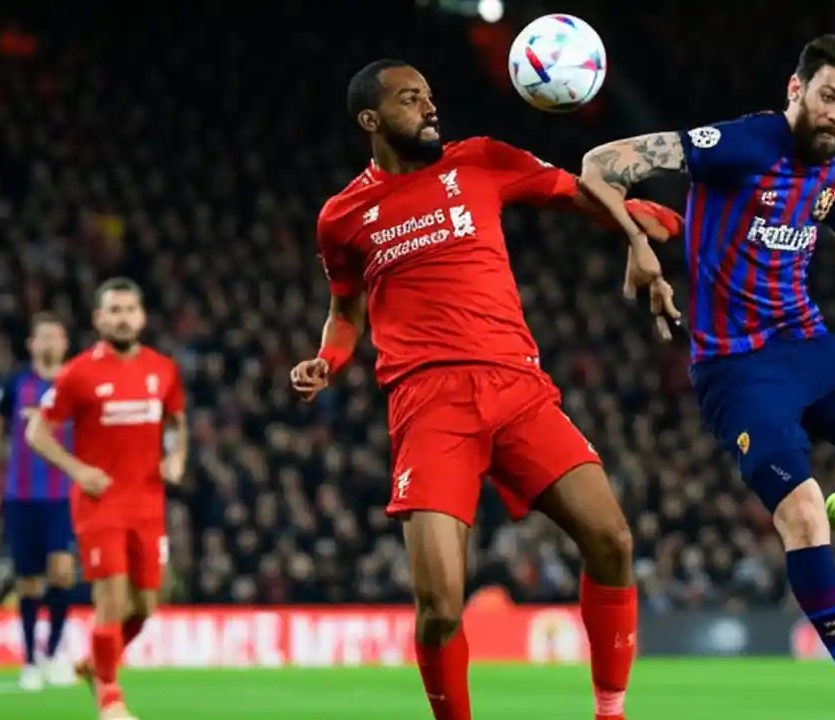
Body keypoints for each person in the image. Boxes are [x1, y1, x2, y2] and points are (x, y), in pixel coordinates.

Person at [579, 35, 835, 720]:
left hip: (810, 345)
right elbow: (599, 164)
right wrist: (639, 248)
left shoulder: (832, 178)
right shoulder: (740, 144)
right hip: (737, 368)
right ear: (796, 90)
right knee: (798, 514)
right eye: (828, 97)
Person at [289, 59, 681, 720]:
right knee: (441, 605)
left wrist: (641, 218)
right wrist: (329, 358)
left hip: (516, 386)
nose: (429, 108)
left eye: (430, 96)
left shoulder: (480, 160)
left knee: (611, 539)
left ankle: (611, 710)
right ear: (372, 119)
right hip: (429, 405)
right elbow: (344, 311)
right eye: (411, 99)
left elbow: (575, 195)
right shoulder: (342, 217)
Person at [25, 277, 187, 720]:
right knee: (112, 600)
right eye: (113, 310)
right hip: (102, 505)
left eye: (129, 310)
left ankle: (96, 662)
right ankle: (110, 699)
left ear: (142, 317)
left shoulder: (162, 369)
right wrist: (78, 471)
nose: (122, 318)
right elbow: (36, 430)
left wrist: (176, 460)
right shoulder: (80, 372)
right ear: (98, 319)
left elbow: (176, 422)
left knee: (146, 607)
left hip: (148, 505)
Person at [0, 312, 78, 690]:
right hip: (21, 496)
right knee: (29, 583)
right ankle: (30, 660)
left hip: (63, 496)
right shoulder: (14, 385)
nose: (50, 343)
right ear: (32, 345)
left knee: (63, 572)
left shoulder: (77, 384)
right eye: (43, 337)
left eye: (57, 335)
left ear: (66, 343)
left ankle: (53, 652)